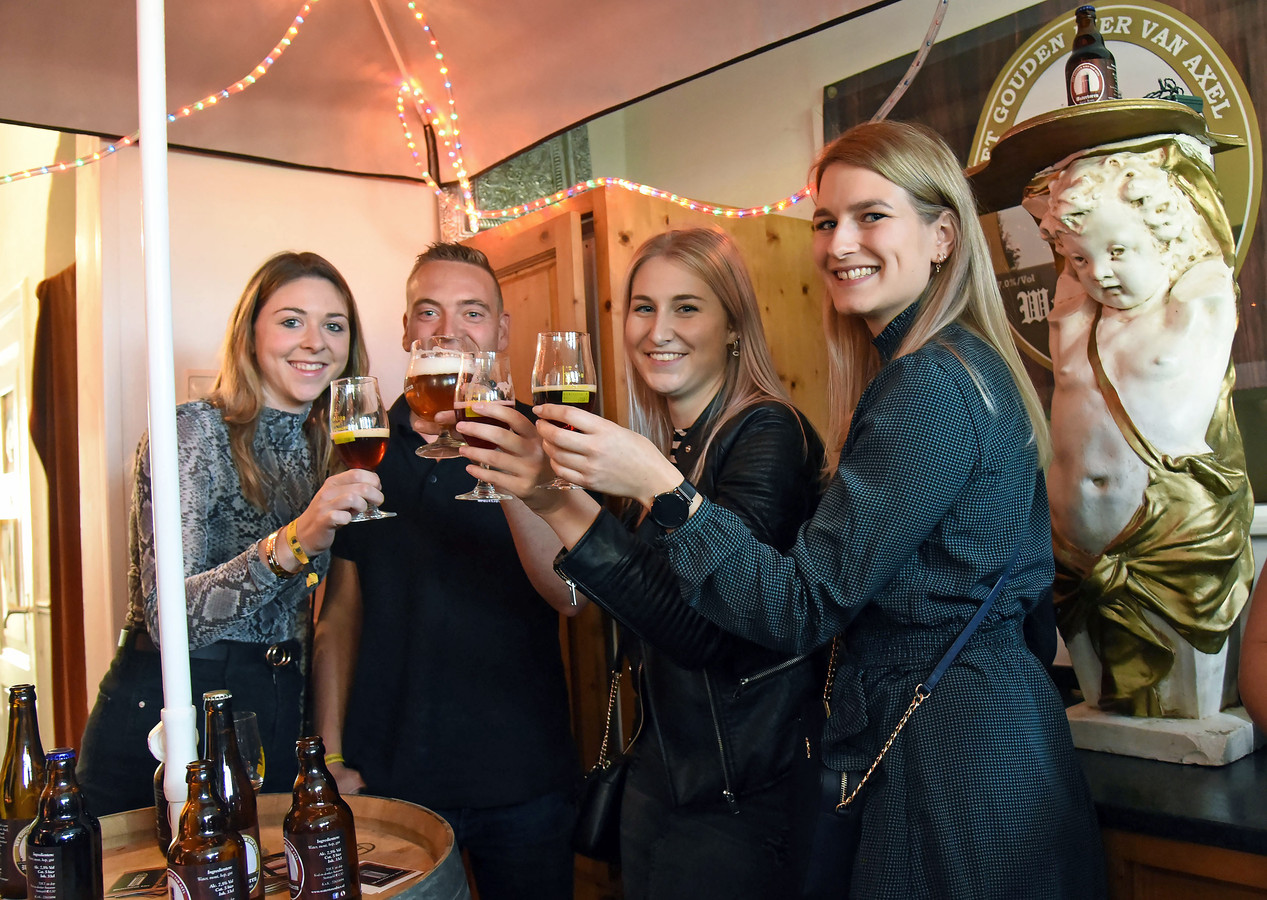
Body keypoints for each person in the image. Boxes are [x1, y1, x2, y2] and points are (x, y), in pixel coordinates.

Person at [530, 122, 1106, 897]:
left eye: (871, 216)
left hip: (949, 753)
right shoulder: (943, 370)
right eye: (827, 222)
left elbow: (802, 606)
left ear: (942, 237)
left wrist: (661, 489)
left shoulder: (928, 387)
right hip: (970, 729)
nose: (840, 244)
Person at [459, 227, 826, 899]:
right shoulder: (665, 448)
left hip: (739, 792)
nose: (659, 329)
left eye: (687, 307)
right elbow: (588, 598)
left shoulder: (766, 433)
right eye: (643, 307)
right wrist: (533, 486)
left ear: (733, 325)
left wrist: (555, 496)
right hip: (659, 773)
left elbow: (702, 635)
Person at [311, 242, 579, 900]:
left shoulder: (543, 441)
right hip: (390, 781)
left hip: (523, 776)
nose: (449, 331)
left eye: (472, 313)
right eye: (428, 313)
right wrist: (332, 758)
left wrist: (511, 474)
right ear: (405, 330)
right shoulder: (363, 446)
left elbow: (570, 596)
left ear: (500, 331)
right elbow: (339, 613)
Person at [78, 251, 379, 813]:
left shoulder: (334, 450)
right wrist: (294, 544)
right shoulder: (189, 431)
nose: (314, 341)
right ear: (250, 332)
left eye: (333, 325)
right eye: (292, 321)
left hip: (281, 700)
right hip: (174, 708)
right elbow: (172, 621)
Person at [1029, 145, 1251, 716]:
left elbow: (1200, 227)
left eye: (1119, 250)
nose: (1097, 272)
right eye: (1079, 260)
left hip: (1170, 532)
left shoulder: (1195, 301)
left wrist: (1165, 158)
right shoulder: (1077, 311)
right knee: (1099, 702)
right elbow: (1068, 237)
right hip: (1072, 543)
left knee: (1189, 705)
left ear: (1164, 235)